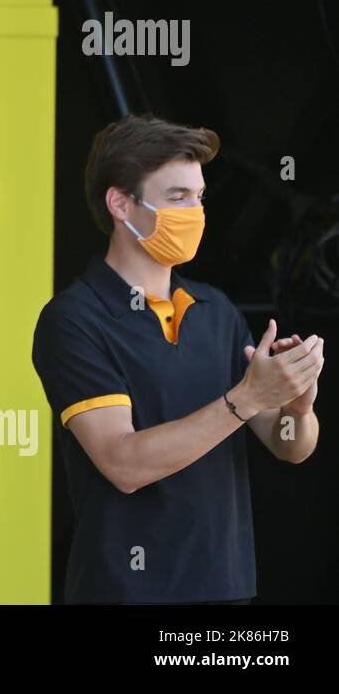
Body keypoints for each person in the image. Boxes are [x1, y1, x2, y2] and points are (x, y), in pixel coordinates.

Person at [32, 114, 323, 603]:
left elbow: (289, 446)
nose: (196, 212)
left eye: (199, 197)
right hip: (126, 592)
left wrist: (296, 405)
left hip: (227, 591)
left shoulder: (215, 310)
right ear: (120, 204)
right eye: (177, 198)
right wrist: (247, 397)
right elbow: (122, 463)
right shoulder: (74, 320)